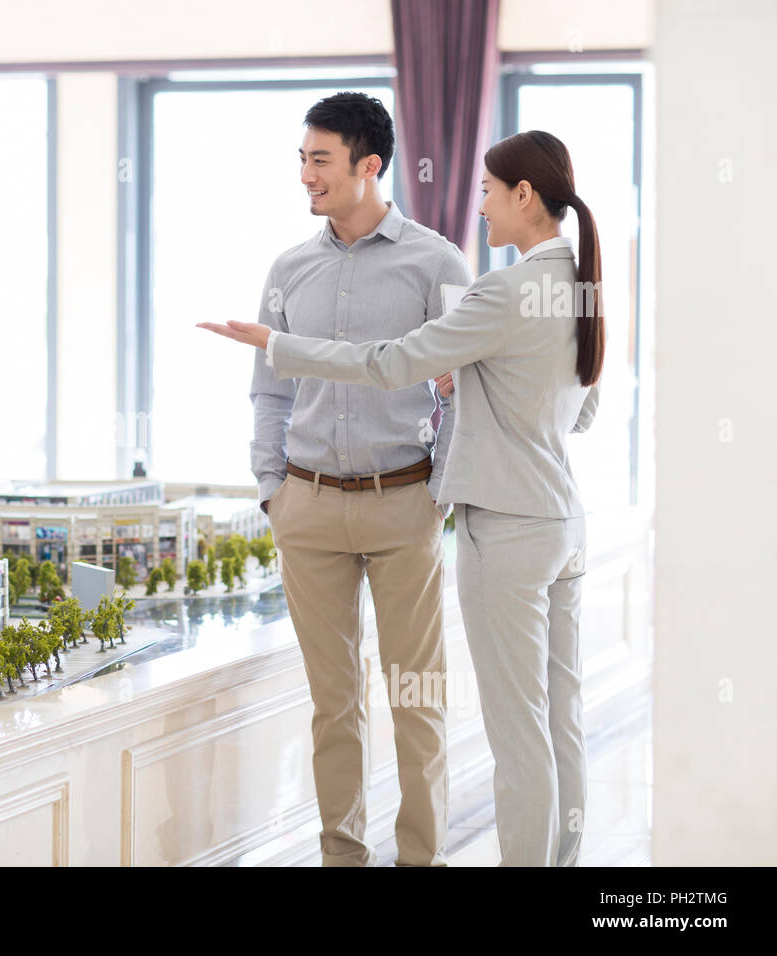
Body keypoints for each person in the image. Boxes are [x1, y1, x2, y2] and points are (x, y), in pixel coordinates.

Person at [200, 129, 603, 867]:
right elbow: (579, 410)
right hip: (559, 519)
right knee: (557, 721)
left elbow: (392, 365)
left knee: (512, 734)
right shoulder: (579, 284)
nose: (477, 206)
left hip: (491, 525)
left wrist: (274, 342)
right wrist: (273, 491)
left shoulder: (489, 283)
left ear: (522, 194)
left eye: (486, 190)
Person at [244, 91, 471, 867]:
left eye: (320, 160)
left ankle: (422, 858)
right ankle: (342, 856)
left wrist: (437, 490)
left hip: (403, 503)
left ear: (368, 165)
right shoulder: (289, 269)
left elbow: (466, 388)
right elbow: (268, 390)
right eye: (302, 159)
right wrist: (273, 487)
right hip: (306, 508)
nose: (306, 175)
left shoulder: (437, 262)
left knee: (416, 698)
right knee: (333, 705)